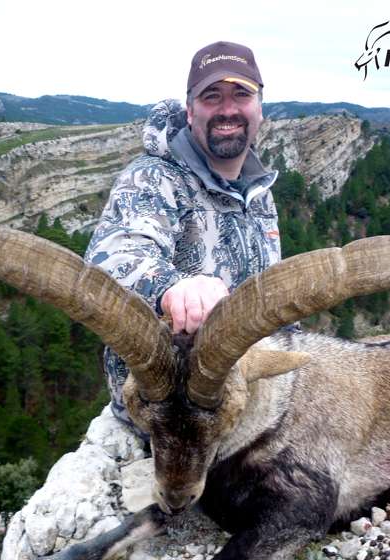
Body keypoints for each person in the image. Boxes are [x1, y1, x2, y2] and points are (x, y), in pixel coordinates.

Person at [85, 41, 281, 434]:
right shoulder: (153, 177)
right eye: (212, 96)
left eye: (241, 94)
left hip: (242, 406)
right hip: (172, 419)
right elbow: (113, 253)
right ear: (191, 111)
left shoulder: (258, 191)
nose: (228, 109)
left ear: (259, 108)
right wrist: (174, 287)